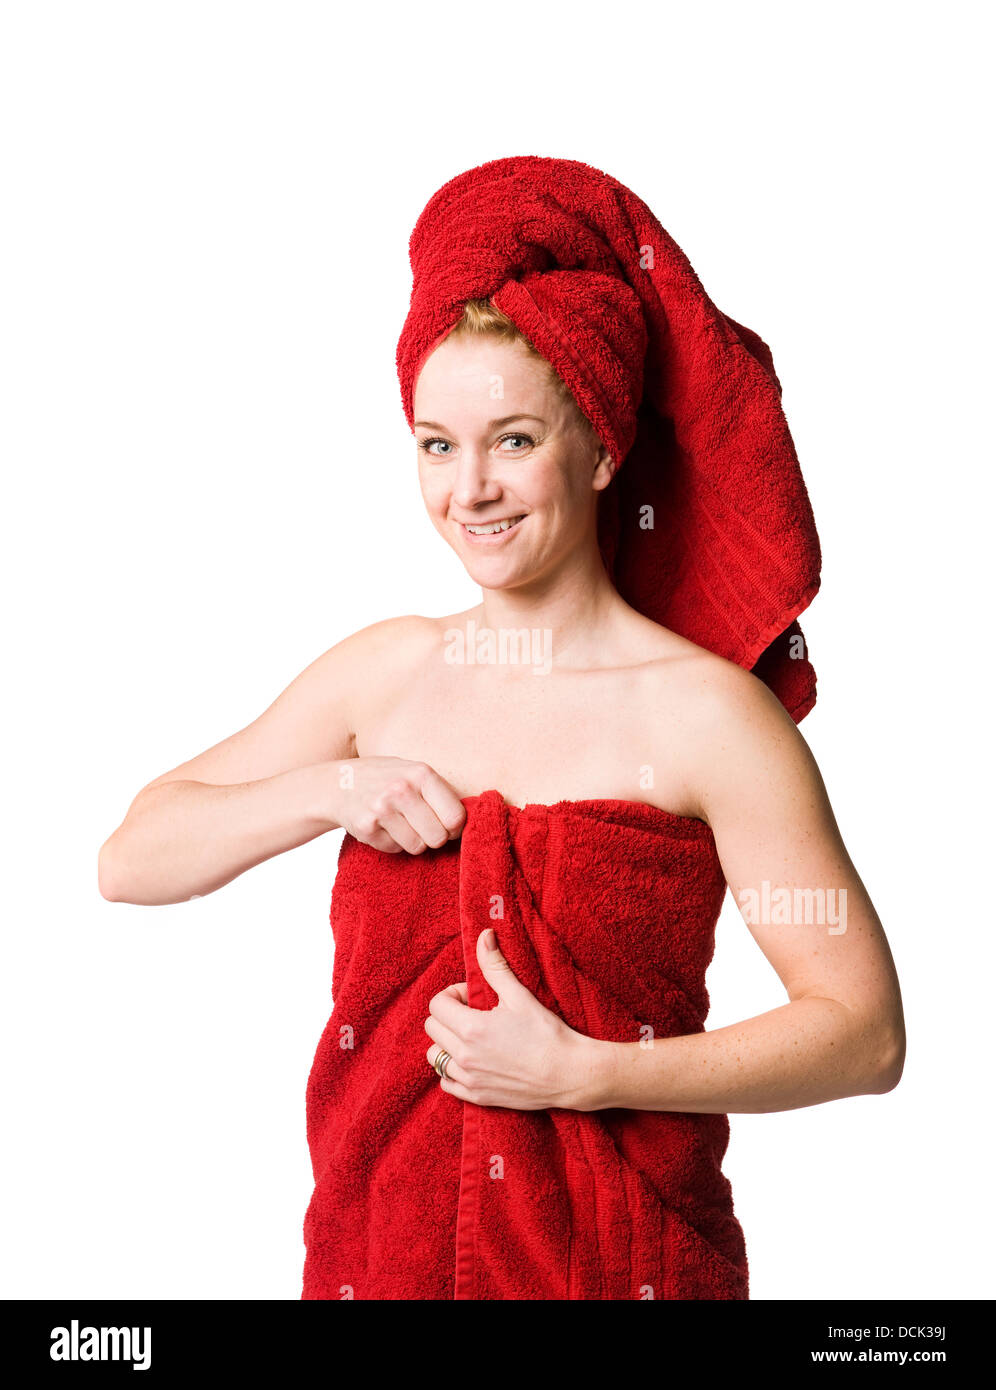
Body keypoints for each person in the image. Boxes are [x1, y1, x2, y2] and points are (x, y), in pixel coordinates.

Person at [98, 157, 905, 1301]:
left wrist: (587, 1070)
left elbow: (863, 1032)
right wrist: (330, 792)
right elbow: (131, 857)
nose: (469, 488)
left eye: (514, 441)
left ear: (602, 447)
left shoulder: (710, 719)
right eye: (437, 444)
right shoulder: (384, 675)